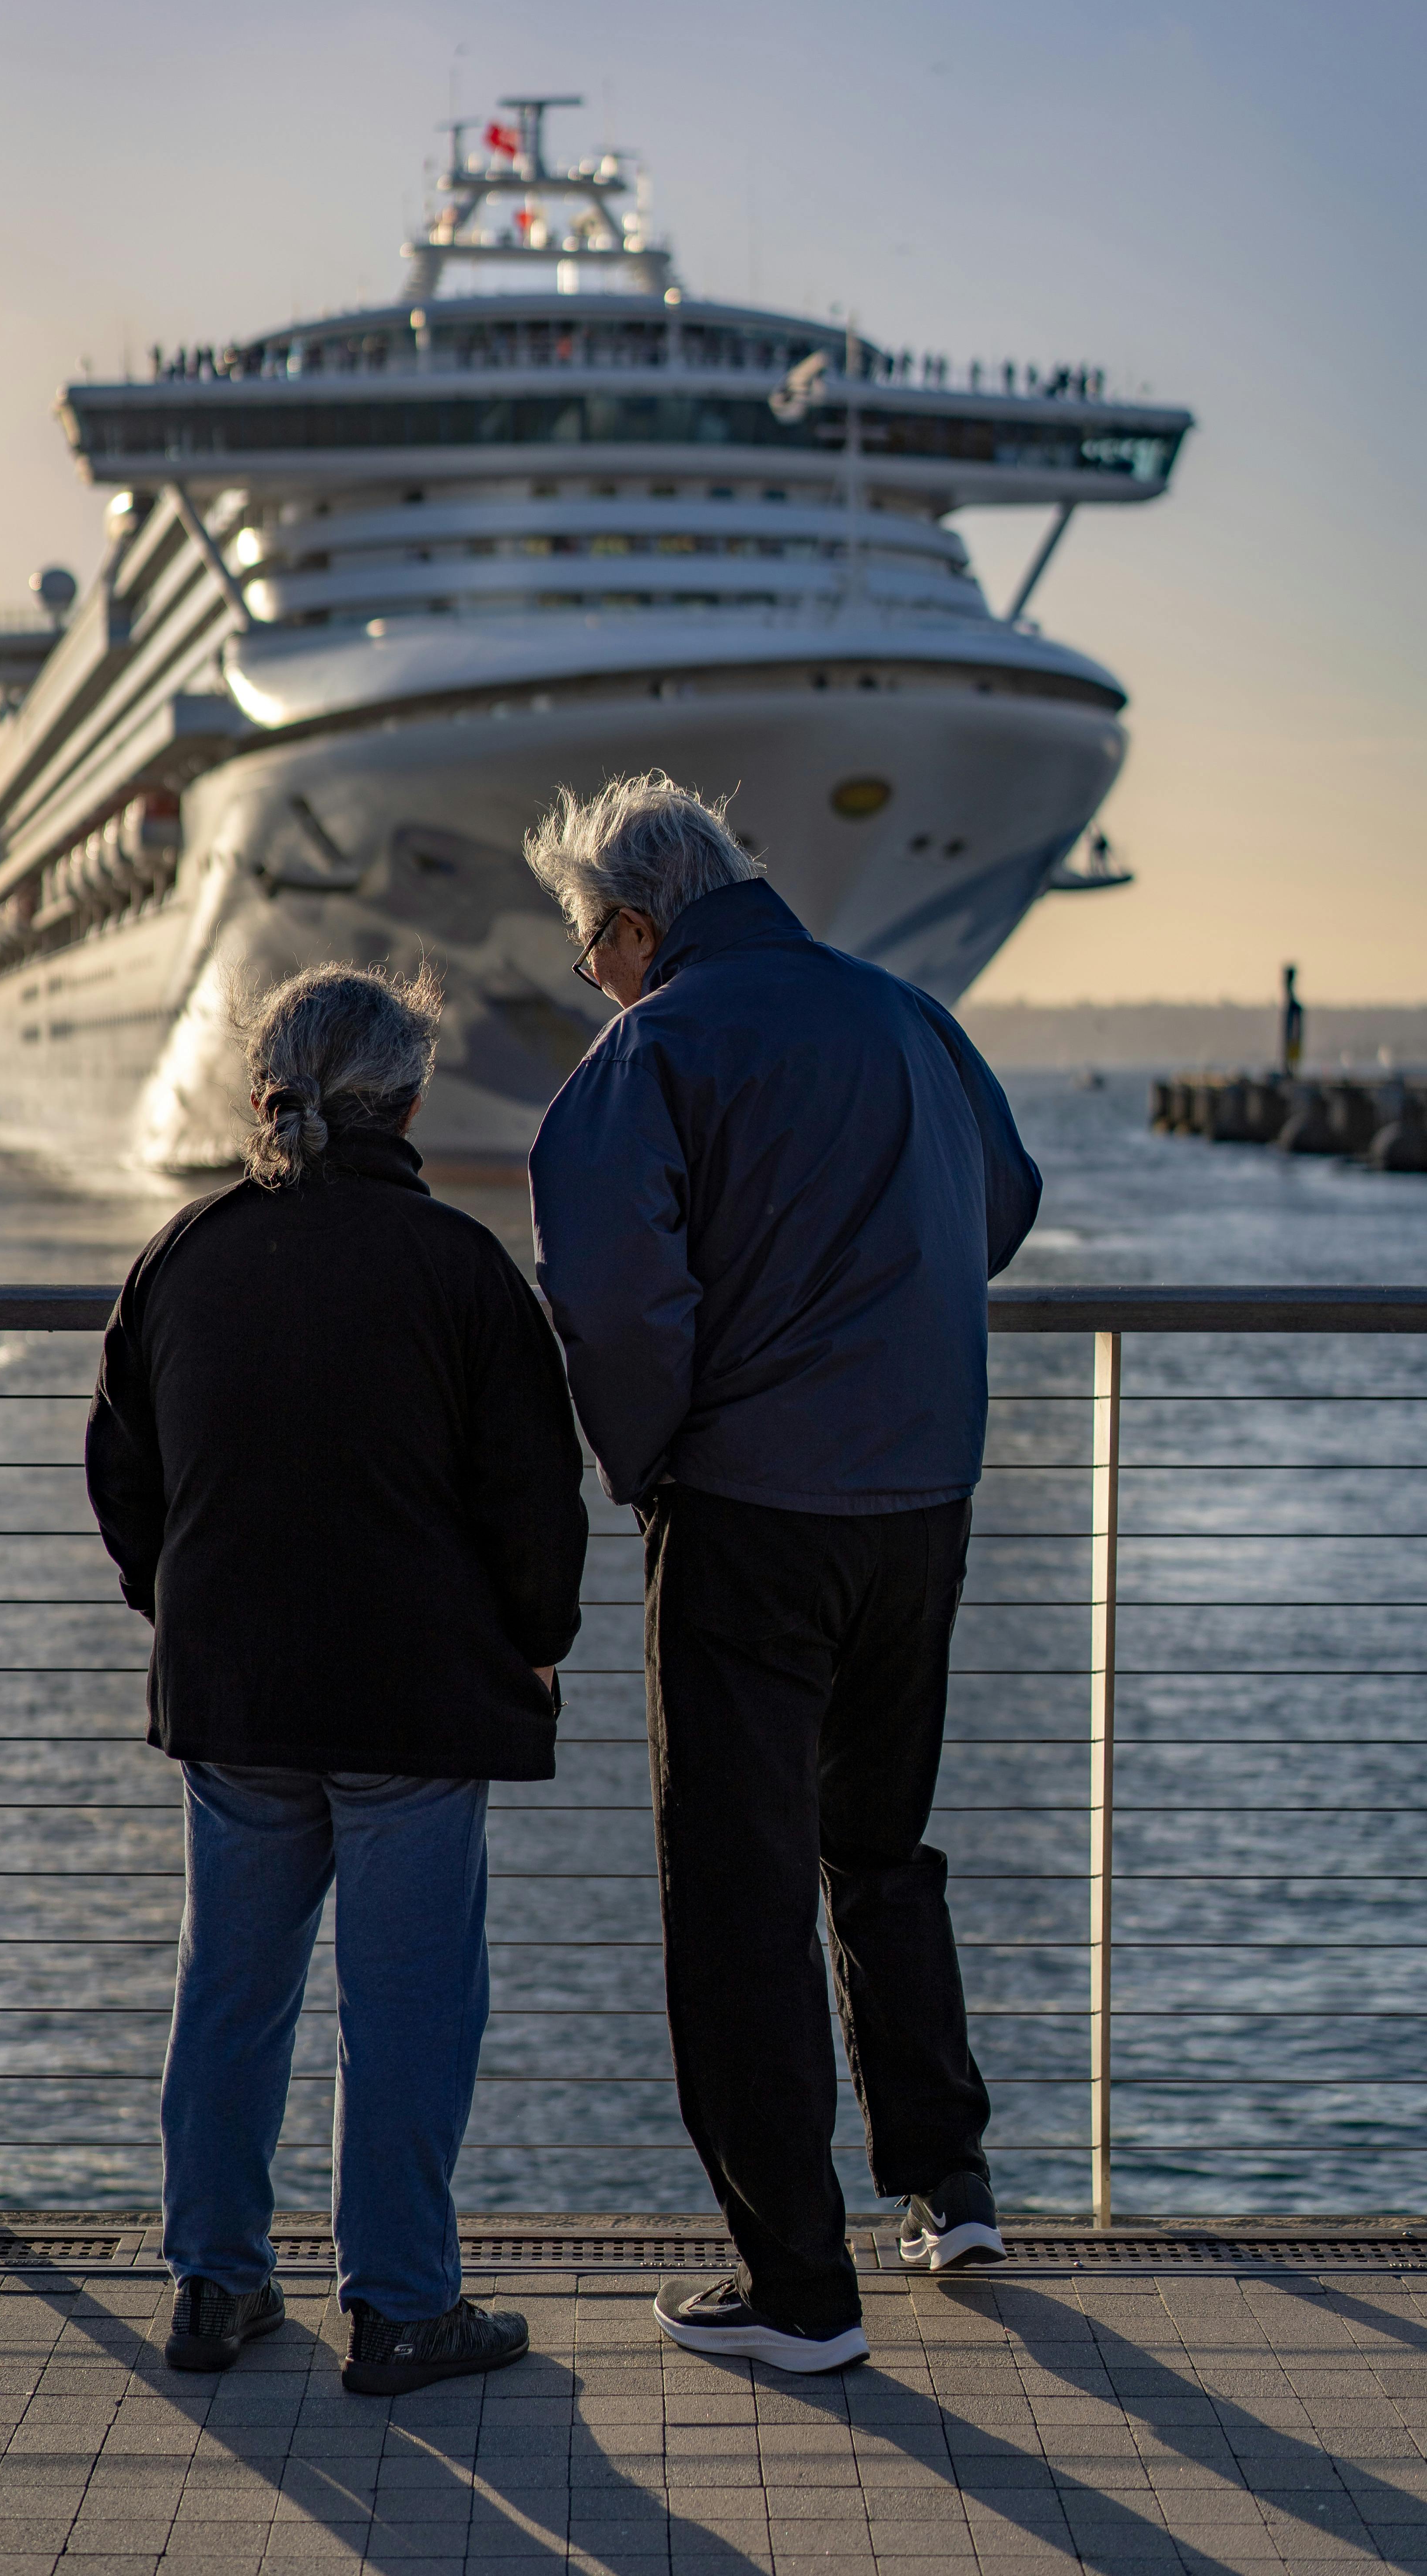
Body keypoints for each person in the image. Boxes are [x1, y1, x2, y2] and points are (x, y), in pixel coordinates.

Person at [526, 774, 1041, 2374]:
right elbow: (1004, 1209)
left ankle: (802, 2290)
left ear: (634, 923)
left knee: (738, 1887)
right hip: (924, 1501)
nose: (591, 980)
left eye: (588, 949)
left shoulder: (656, 1050)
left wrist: (654, 1459)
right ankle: (950, 2187)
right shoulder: (908, 1016)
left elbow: (611, 1298)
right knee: (879, 1843)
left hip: (751, 1510)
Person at [85, 964, 588, 2393]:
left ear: (268, 1091)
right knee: (408, 2005)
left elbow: (123, 1470)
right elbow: (532, 1494)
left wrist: (172, 1602)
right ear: (412, 1097)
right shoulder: (463, 1269)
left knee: (231, 1991)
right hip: (415, 1700)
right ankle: (404, 2306)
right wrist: (536, 1637)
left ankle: (212, 2284)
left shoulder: (184, 1254)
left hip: (233, 1692)